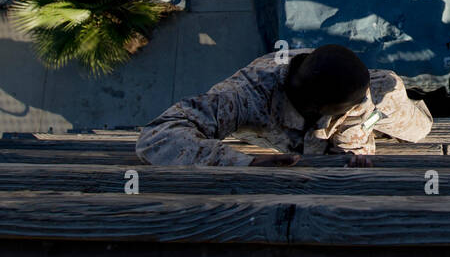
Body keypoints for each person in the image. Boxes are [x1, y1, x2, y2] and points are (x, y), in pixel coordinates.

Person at [136, 43, 433, 168]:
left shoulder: (361, 96)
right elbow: (158, 137)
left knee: (421, 129)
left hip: (380, 92)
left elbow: (358, 125)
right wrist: (244, 163)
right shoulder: (245, 96)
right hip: (316, 109)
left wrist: (353, 156)